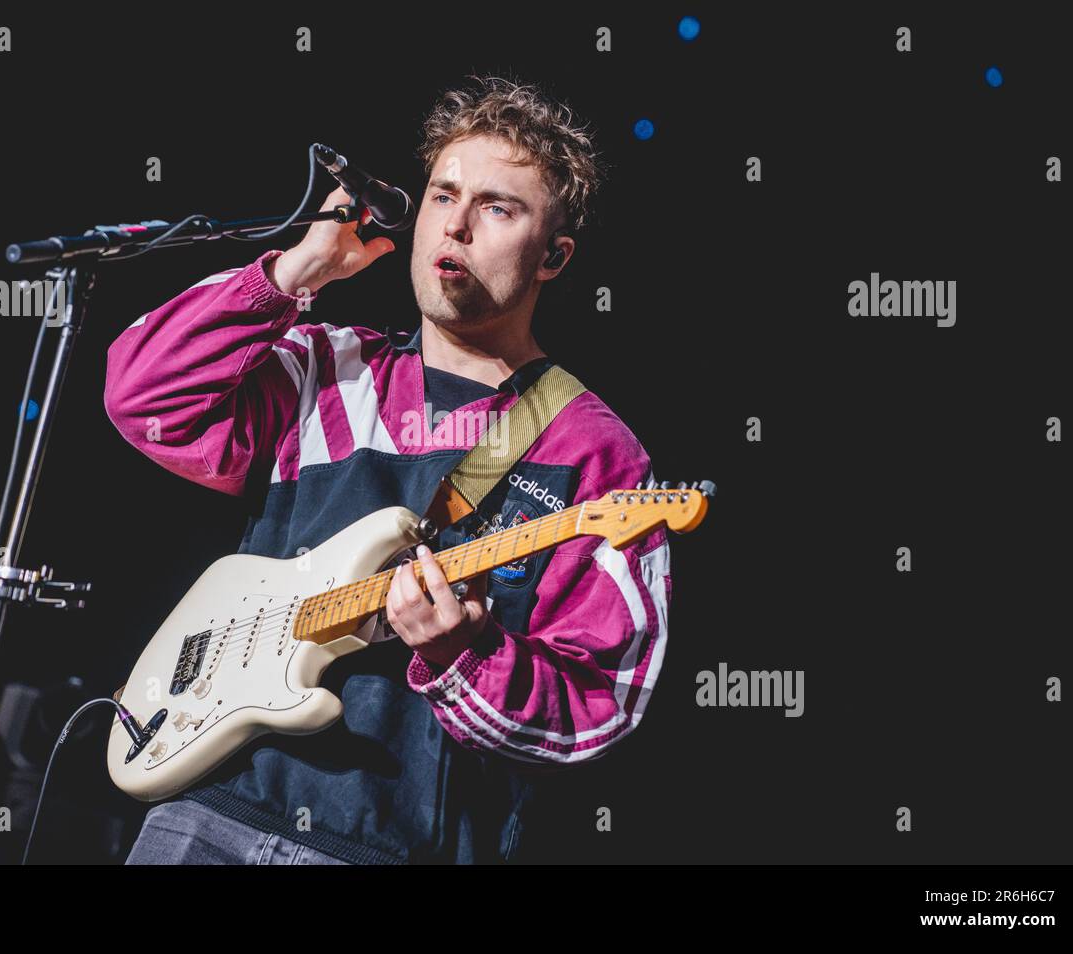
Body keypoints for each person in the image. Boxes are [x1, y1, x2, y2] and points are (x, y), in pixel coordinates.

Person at [106, 74, 672, 865]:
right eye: (443, 196)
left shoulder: (594, 452)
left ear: (554, 256)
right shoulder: (323, 368)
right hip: (207, 813)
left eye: (498, 208)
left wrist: (464, 655)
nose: (458, 226)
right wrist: (291, 276)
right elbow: (143, 394)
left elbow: (600, 707)